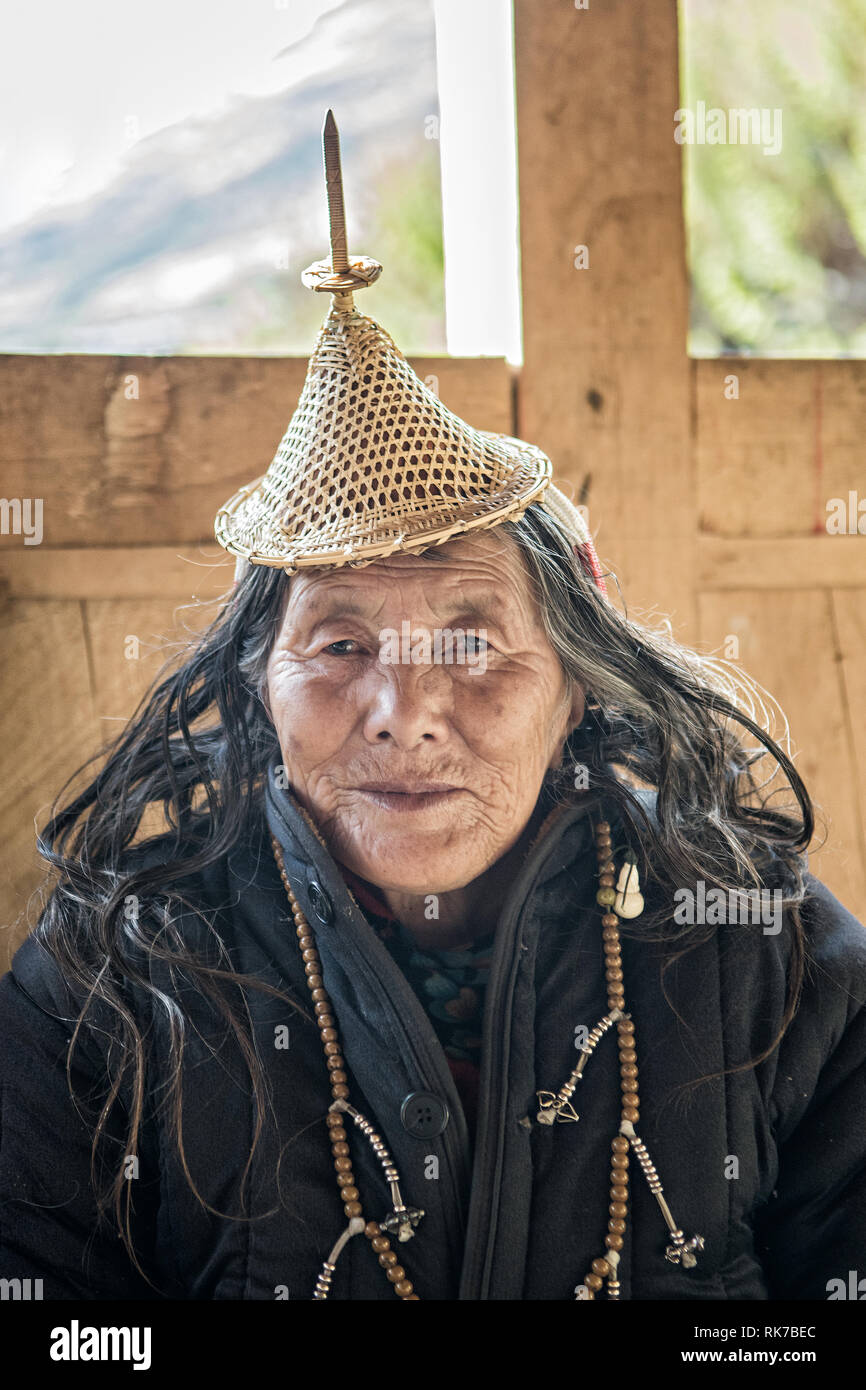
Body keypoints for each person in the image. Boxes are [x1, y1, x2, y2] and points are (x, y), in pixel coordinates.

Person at [1, 113, 864, 1302]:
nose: (403, 712)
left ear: (576, 683)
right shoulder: (118, 975)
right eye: (340, 643)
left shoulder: (757, 948)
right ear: (260, 686)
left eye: (470, 642)